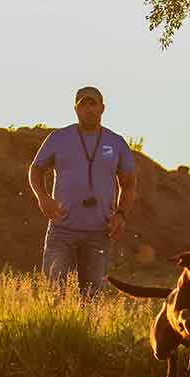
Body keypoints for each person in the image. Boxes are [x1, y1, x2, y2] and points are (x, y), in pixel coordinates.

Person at [28, 85, 136, 296]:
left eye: (93, 104)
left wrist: (121, 214)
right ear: (75, 109)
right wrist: (43, 197)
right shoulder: (58, 138)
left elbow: (129, 183)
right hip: (62, 229)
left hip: (100, 231)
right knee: (54, 293)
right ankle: (56, 320)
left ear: (102, 108)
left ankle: (86, 320)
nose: (88, 109)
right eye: (83, 105)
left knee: (91, 296)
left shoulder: (116, 142)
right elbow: (36, 170)